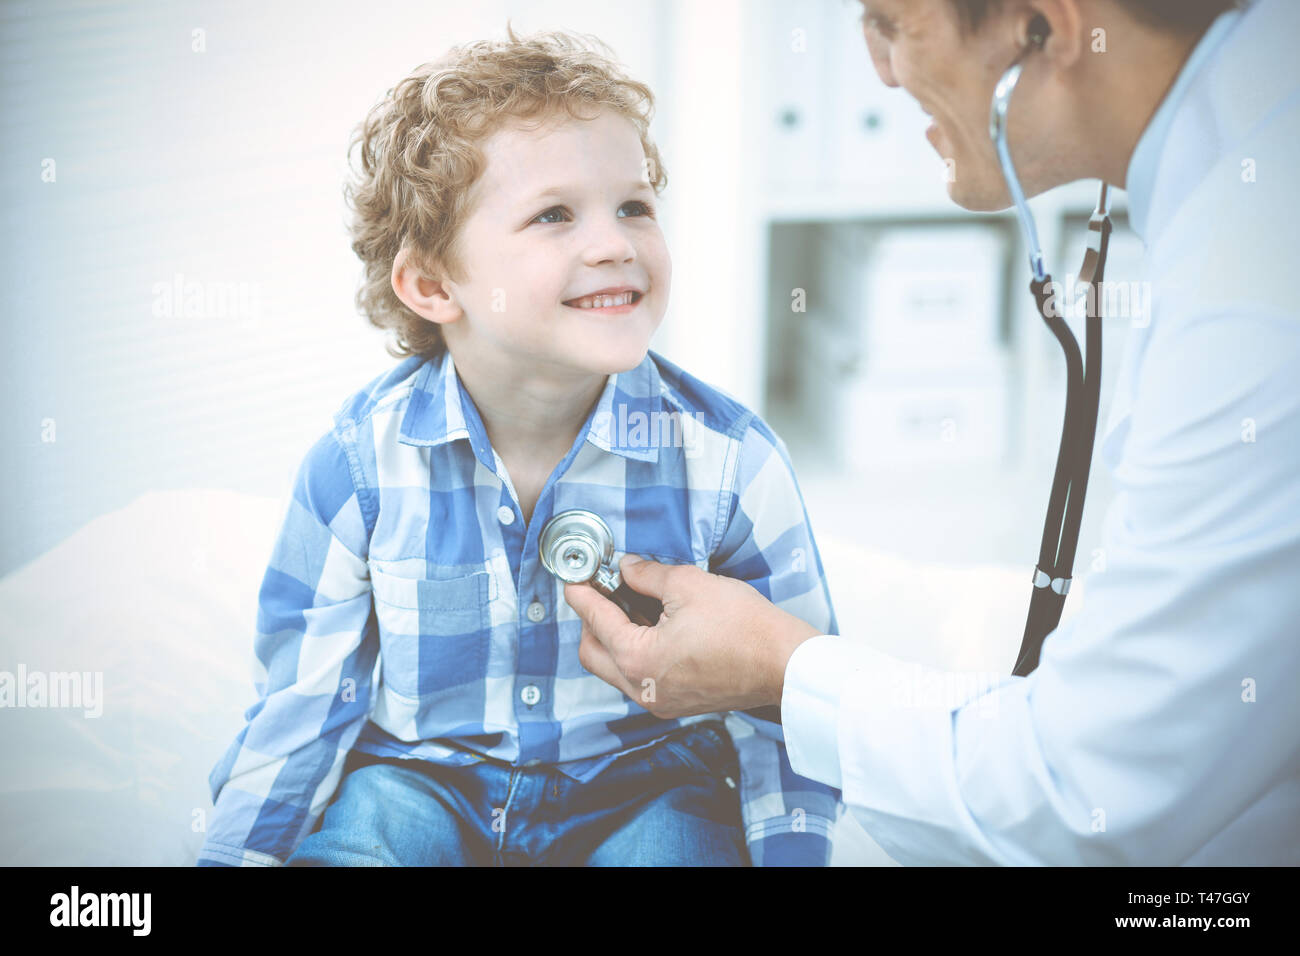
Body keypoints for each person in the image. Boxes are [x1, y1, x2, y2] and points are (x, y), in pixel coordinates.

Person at [565, 0, 1300, 864]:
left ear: (1046, 24)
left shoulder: (1254, 301)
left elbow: (1085, 795)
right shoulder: (1241, 161)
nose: (877, 69)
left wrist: (782, 670)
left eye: (891, 24)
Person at [195, 26, 841, 867]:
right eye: (554, 215)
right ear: (432, 284)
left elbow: (785, 698)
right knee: (364, 834)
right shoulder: (358, 466)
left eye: (635, 206)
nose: (614, 242)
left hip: (645, 783)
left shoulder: (728, 463)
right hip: (421, 782)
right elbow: (304, 703)